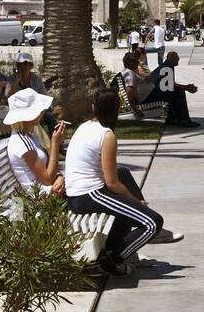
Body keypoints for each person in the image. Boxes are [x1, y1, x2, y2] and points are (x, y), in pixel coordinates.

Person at [65, 90, 166, 277]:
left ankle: (119, 245)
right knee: (153, 223)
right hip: (87, 195)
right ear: (116, 111)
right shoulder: (106, 135)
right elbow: (111, 183)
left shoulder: (84, 126)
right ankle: (109, 262)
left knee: (124, 173)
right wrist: (136, 201)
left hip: (77, 193)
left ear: (93, 108)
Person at [4, 88, 67, 195]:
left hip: (48, 191)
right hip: (42, 199)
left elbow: (48, 170)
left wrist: (59, 176)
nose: (42, 112)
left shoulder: (29, 135)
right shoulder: (22, 143)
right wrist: (55, 143)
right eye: (39, 110)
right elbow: (48, 179)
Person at [148, 51, 199, 127]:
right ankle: (183, 120)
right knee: (178, 92)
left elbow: (168, 85)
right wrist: (186, 87)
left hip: (153, 94)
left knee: (174, 92)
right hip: (152, 97)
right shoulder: (167, 68)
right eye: (176, 57)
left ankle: (172, 118)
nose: (178, 59)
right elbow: (170, 85)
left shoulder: (166, 66)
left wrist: (186, 87)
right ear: (170, 59)